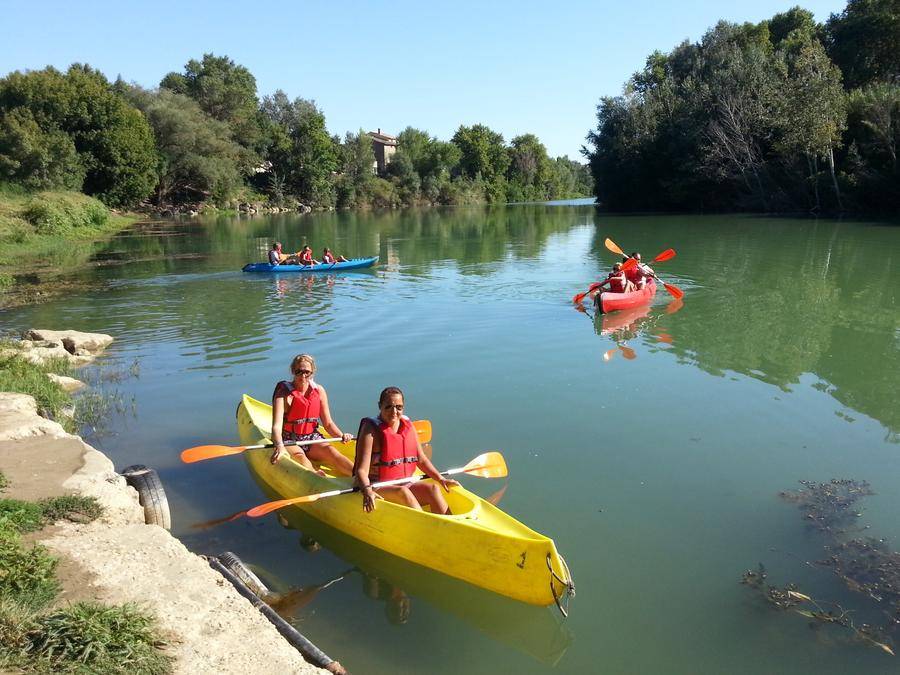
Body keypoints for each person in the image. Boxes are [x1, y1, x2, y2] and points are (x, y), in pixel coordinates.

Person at [353, 387, 458, 514]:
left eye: (399, 407)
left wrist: (440, 479)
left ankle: (447, 525)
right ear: (380, 406)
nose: (394, 412)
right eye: (388, 407)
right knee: (403, 492)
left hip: (404, 482)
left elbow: (421, 459)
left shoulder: (407, 425)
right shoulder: (370, 430)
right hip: (376, 486)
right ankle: (426, 525)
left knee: (434, 489)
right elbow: (361, 470)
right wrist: (367, 491)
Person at [271, 354, 354, 476]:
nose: (303, 376)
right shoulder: (283, 393)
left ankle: (361, 477)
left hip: (311, 437)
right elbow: (276, 426)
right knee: (301, 458)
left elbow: (328, 423)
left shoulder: (319, 391)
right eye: (299, 371)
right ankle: (316, 476)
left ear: (312, 373)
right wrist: (280, 446)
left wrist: (341, 435)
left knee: (333, 453)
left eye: (307, 372)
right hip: (290, 438)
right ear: (293, 371)